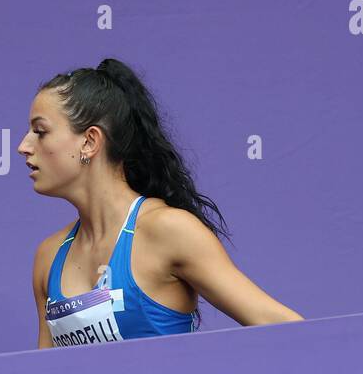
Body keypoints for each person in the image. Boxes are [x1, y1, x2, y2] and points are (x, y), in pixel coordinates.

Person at [20, 59, 302, 348]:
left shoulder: (169, 231)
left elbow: (282, 326)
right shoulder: (48, 257)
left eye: (40, 131)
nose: (23, 146)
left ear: (90, 142)